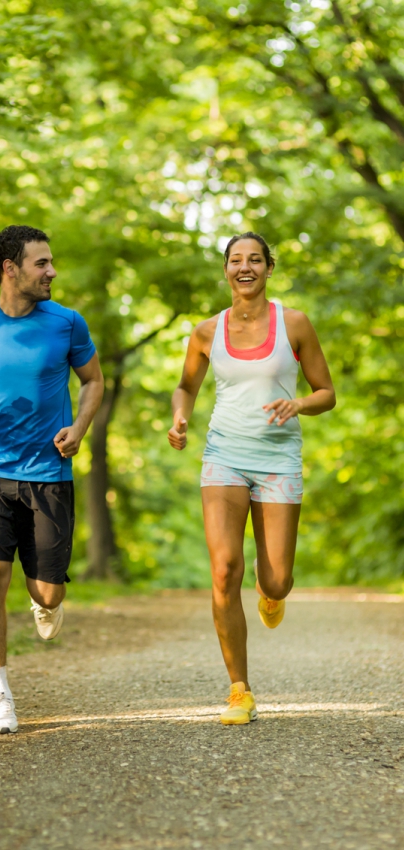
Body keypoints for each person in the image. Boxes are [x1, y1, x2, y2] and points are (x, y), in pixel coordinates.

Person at [0, 225, 104, 734]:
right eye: (41, 264)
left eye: (51, 263)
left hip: (49, 472)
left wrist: (79, 428)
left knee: (48, 593)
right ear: (11, 269)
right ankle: (0, 696)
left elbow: (93, 380)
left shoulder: (67, 323)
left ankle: (44, 599)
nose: (51, 272)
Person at [168, 232, 335, 725]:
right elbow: (185, 386)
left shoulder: (295, 324)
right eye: (236, 260)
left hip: (279, 458)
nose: (245, 267)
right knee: (224, 571)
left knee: (278, 579)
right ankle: (239, 690)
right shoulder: (206, 332)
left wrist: (299, 403)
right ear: (226, 270)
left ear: (268, 268)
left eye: (255, 259)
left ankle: (271, 593)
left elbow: (327, 391)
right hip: (224, 455)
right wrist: (180, 418)